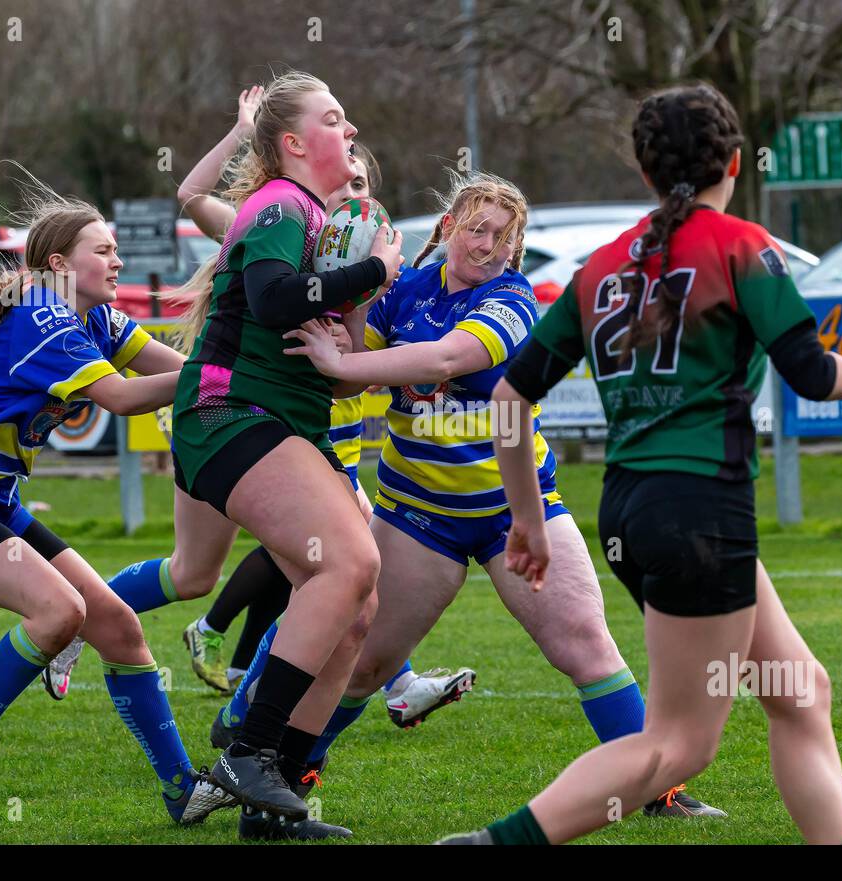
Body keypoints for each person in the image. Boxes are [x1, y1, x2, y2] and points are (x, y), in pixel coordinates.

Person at [438, 84, 842, 844]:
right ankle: (498, 842)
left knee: (800, 690)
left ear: (645, 169)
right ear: (732, 160)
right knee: (678, 744)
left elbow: (507, 395)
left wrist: (526, 518)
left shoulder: (602, 266)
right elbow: (814, 375)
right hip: (701, 514)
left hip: (634, 509)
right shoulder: (741, 246)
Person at [283, 169, 724, 819]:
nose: (486, 244)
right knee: (367, 660)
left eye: (502, 235)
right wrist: (354, 304)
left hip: (516, 509)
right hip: (419, 515)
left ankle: (657, 790)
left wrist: (343, 361)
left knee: (583, 641)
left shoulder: (513, 300)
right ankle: (289, 773)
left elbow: (443, 360)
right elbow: (345, 381)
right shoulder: (402, 290)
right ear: (447, 227)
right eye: (476, 227)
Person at [0, 185, 234, 825]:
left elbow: (177, 367)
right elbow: (127, 398)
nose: (117, 261)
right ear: (58, 265)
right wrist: (229, 377)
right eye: (103, 250)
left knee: (120, 630)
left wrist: (233, 373)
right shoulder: (44, 318)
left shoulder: (96, 318)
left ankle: (181, 790)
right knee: (60, 613)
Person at [167, 70, 401, 831]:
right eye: (335, 118)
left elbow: (330, 382)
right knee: (354, 561)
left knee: (359, 608)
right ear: (295, 144)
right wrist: (372, 273)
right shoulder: (281, 203)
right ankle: (249, 750)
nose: (353, 129)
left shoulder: (322, 222)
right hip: (230, 414)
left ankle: (273, 803)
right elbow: (270, 300)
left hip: (278, 421)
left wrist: (352, 310)